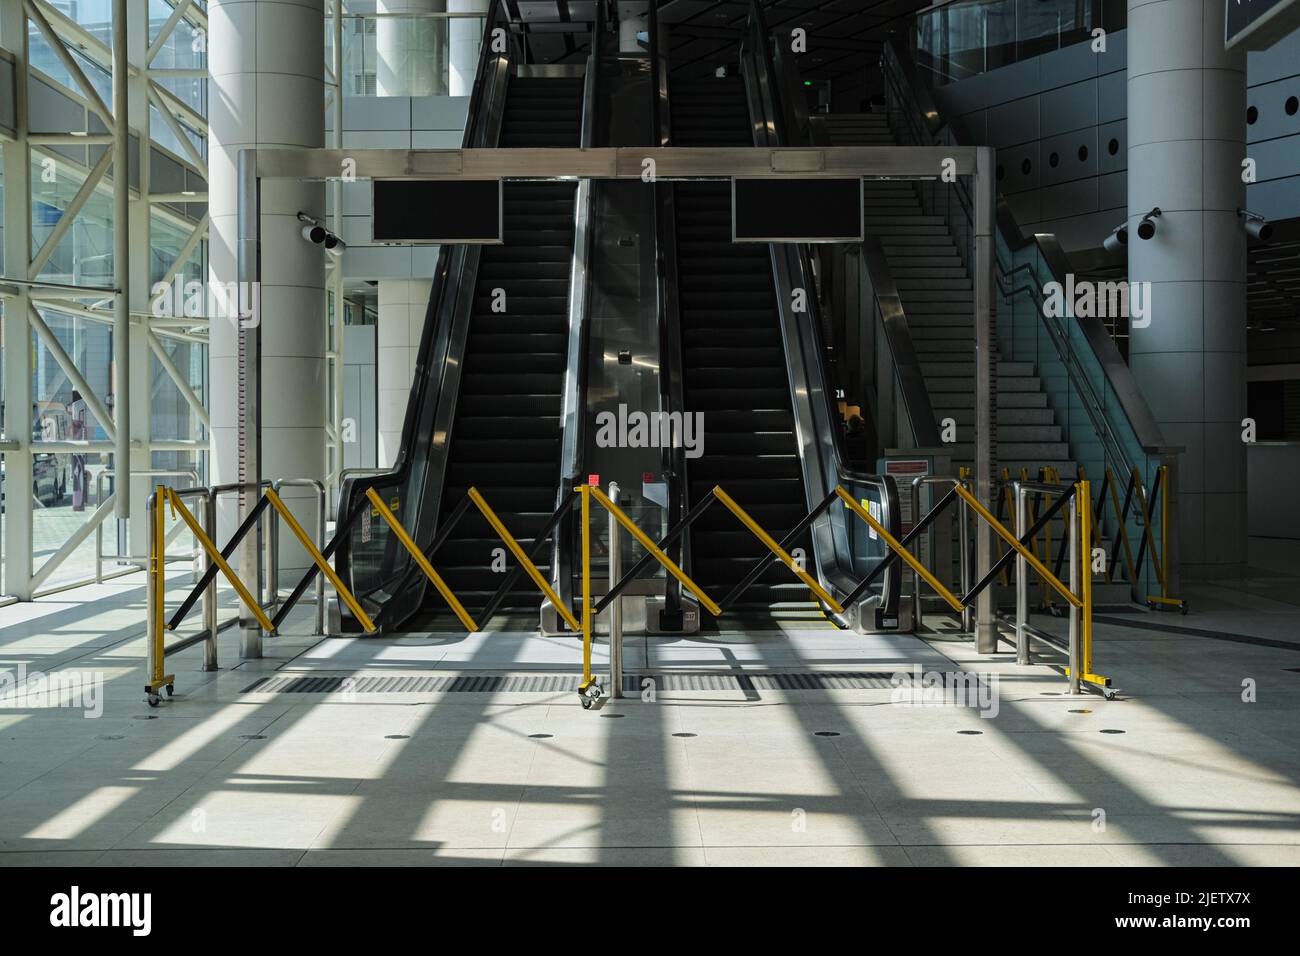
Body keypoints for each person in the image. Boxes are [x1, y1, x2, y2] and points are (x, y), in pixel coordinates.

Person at [68, 389, 89, 511]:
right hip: (78, 454)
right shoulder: (77, 424)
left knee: (78, 474)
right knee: (77, 474)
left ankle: (79, 502)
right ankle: (78, 502)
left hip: (79, 454)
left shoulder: (79, 424)